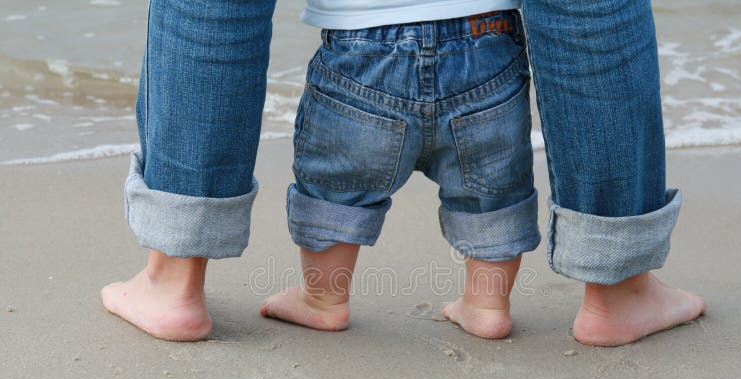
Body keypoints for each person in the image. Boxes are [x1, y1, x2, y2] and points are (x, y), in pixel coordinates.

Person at [102, 0, 705, 347]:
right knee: (491, 195)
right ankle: (544, 301)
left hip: (359, 53)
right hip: (487, 48)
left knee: (335, 192)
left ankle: (297, 295)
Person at [260, 9, 539, 339]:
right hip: (487, 36)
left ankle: (323, 298)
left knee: (339, 184)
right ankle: (487, 304)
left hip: (363, 34)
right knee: (491, 189)